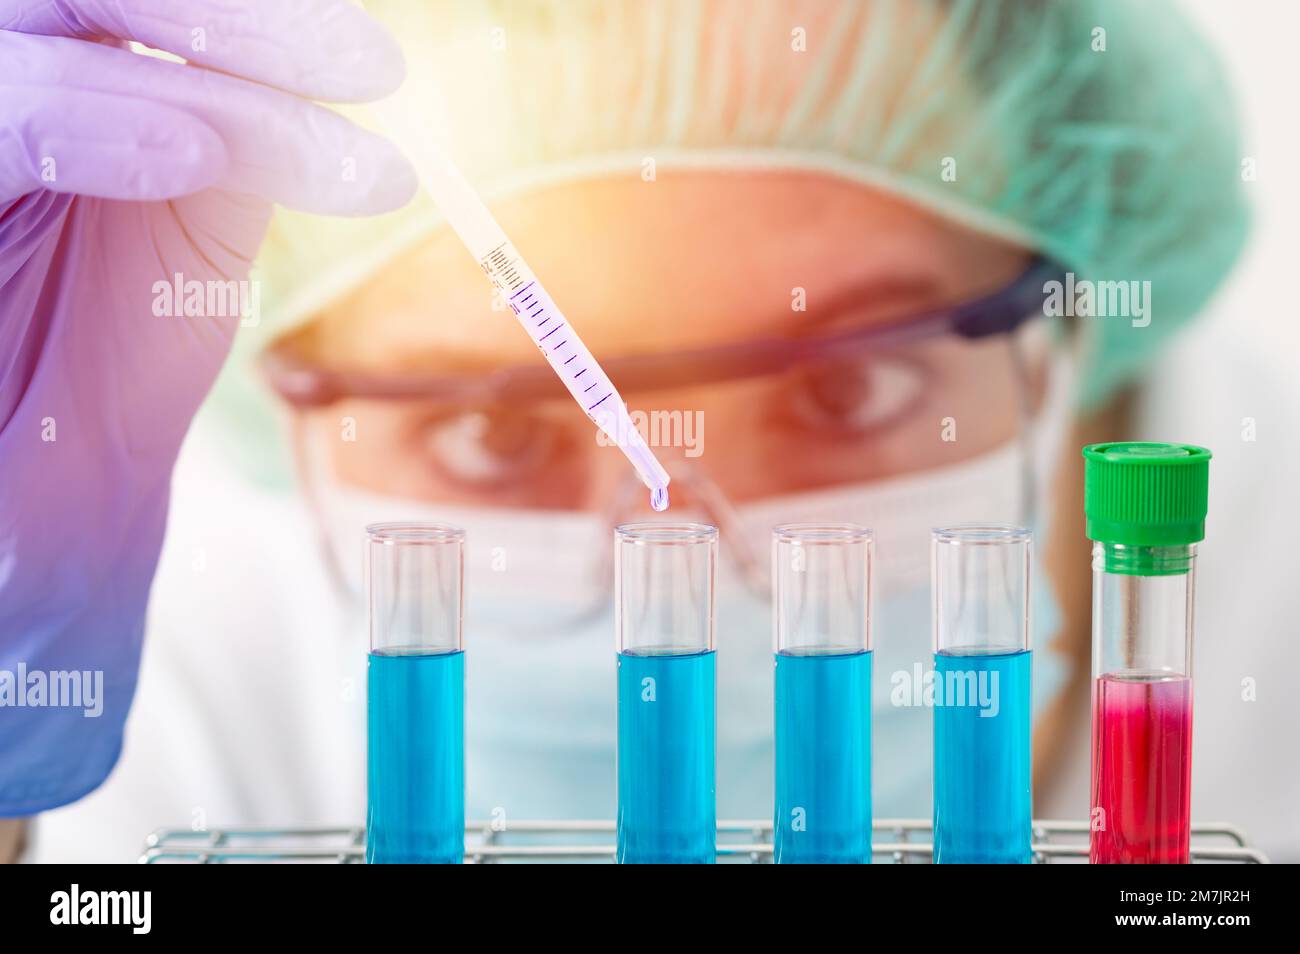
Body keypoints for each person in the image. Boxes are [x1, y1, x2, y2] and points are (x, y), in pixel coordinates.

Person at [1, 0, 1249, 861]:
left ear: (1068, 345)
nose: (678, 539)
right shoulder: (174, 701)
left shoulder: (1260, 600)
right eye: (491, 428)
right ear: (280, 398)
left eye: (843, 393)